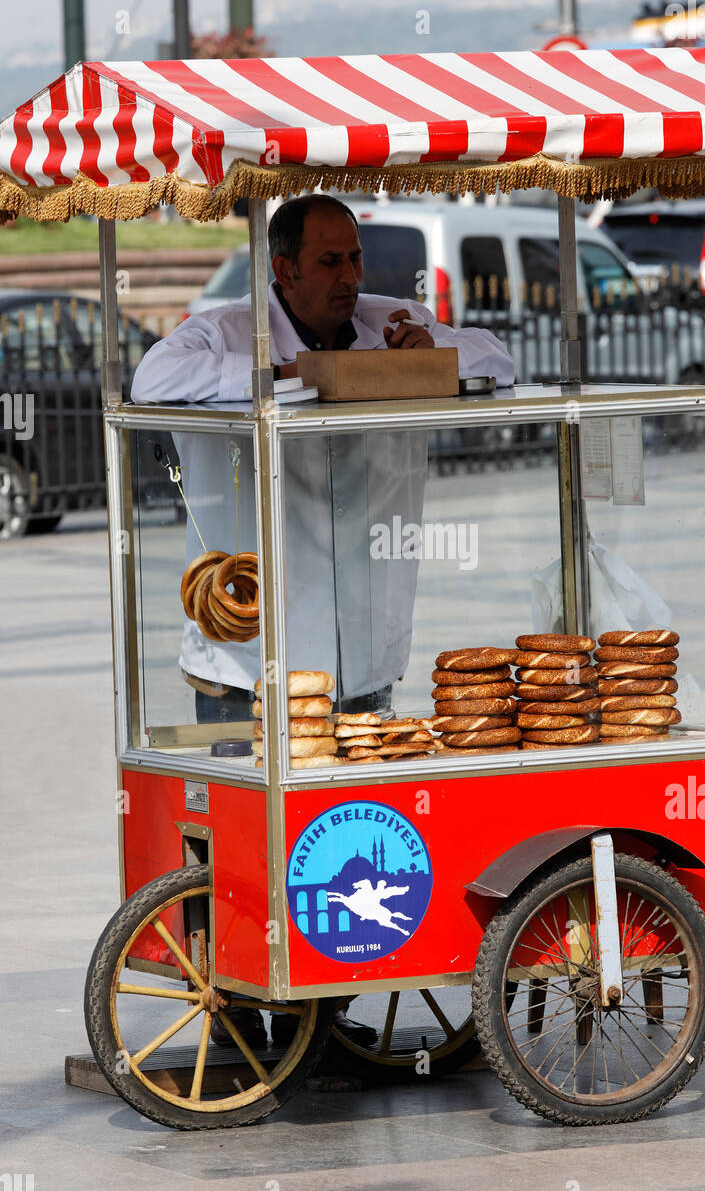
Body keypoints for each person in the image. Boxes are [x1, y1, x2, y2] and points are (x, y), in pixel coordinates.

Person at [131, 194, 515, 1046]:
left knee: (344, 851)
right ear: (284, 269)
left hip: (364, 649)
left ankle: (329, 1021)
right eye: (332, 263)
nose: (352, 279)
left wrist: (432, 354)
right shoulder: (221, 334)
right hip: (253, 658)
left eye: (355, 261)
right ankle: (245, 1023)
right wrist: (294, 375)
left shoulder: (394, 323)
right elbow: (149, 382)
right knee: (252, 850)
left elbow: (500, 361)